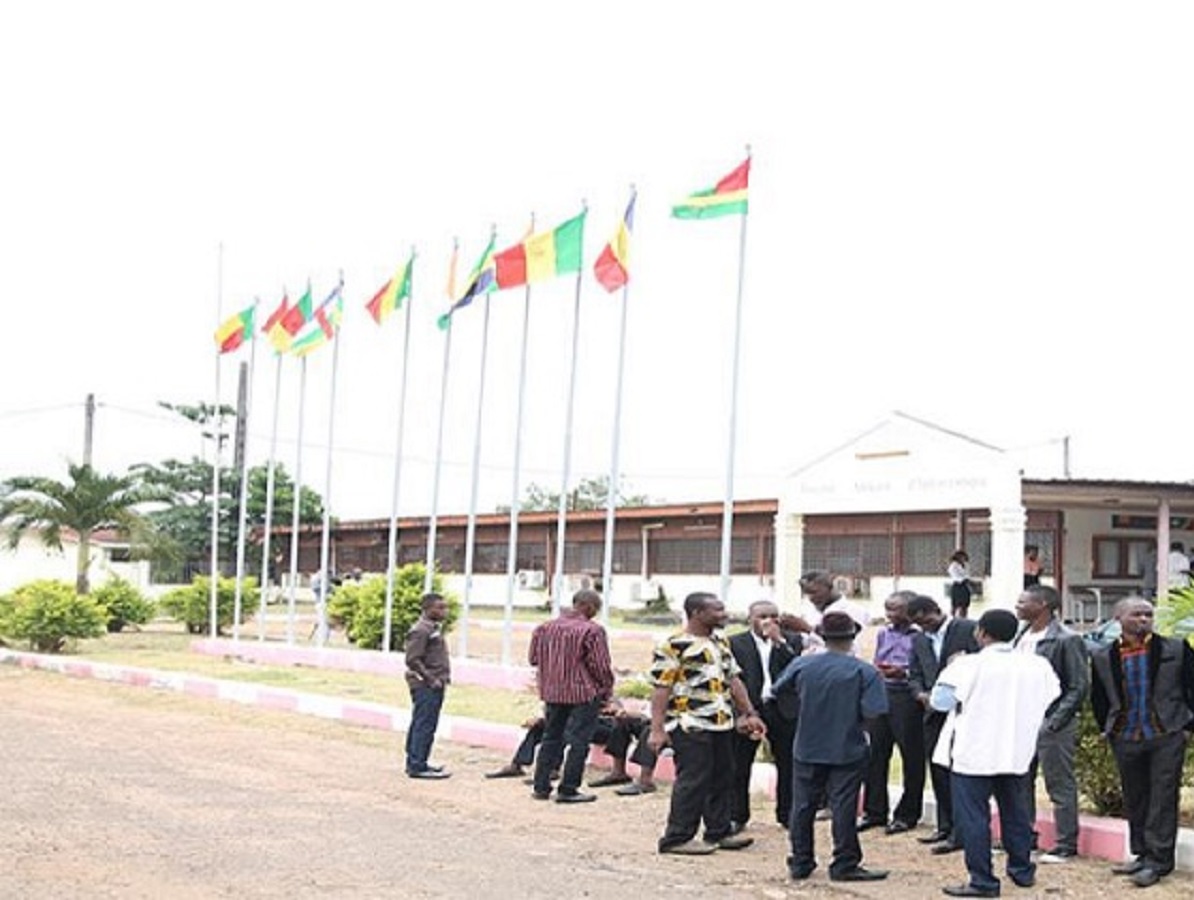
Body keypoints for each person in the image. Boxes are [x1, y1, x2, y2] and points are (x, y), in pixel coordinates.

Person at [930, 609, 1060, 898]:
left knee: (974, 818)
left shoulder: (967, 665)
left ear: (982, 633)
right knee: (1016, 812)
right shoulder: (1037, 665)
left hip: (973, 752)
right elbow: (1052, 696)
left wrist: (950, 667)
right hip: (1016, 750)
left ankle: (982, 881)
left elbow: (940, 702)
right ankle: (1022, 870)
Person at [773, 611, 890, 883]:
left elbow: (778, 691)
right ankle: (844, 862)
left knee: (802, 805)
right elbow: (875, 710)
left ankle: (801, 860)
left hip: (807, 744)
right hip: (847, 746)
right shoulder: (865, 671)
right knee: (844, 807)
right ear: (853, 637)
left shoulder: (803, 665)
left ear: (822, 637)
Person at [648, 591, 766, 856]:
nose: (723, 614)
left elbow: (734, 680)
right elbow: (661, 689)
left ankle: (719, 831)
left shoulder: (720, 642)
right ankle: (677, 837)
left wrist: (749, 713)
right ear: (697, 613)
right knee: (693, 779)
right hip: (690, 723)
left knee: (723, 776)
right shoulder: (673, 645)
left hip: (721, 722)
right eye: (717, 610)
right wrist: (657, 729)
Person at [1090, 597, 1194, 889]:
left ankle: (1159, 861)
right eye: (1136, 614)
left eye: (1148, 614)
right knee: (1135, 797)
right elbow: (1099, 696)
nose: (1144, 619)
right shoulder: (1102, 655)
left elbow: (1191, 686)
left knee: (1162, 798)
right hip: (1125, 735)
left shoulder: (1175, 648)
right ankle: (1142, 853)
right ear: (1118, 618)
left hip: (1166, 734)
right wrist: (1105, 728)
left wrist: (1187, 726)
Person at [1012, 583, 1089, 863]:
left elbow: (1079, 686)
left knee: (1059, 784)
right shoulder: (1019, 637)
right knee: (1020, 782)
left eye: (1023, 602)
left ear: (1042, 605)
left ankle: (1065, 844)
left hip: (1052, 723)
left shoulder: (1066, 639)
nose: (1018, 606)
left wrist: (1055, 721)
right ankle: (1023, 838)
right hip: (1021, 722)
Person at [527, 588, 616, 804]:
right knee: (579, 741)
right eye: (596, 608)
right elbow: (600, 666)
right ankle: (568, 789)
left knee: (551, 738)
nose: (595, 613)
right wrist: (606, 690)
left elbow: (533, 659)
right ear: (587, 606)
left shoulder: (544, 628)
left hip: (552, 692)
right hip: (582, 693)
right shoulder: (592, 631)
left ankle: (541, 786)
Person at [907, 594, 978, 855]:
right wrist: (920, 695)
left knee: (960, 773)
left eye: (924, 620)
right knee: (938, 771)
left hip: (964, 712)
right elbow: (913, 674)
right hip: (933, 714)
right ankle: (945, 826)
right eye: (917, 624)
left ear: (936, 611)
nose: (922, 627)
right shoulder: (918, 639)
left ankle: (961, 832)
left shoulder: (968, 629)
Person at [728, 599, 802, 830]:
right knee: (740, 763)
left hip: (783, 709)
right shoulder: (735, 643)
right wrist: (741, 711)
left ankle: (787, 814)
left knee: (788, 763)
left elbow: (798, 669)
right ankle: (737, 815)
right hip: (750, 708)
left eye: (773, 616)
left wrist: (779, 642)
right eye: (762, 616)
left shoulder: (791, 641)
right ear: (750, 618)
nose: (768, 621)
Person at [859, 591, 926, 835]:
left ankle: (907, 814)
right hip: (882, 694)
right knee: (875, 754)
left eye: (896, 609)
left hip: (907, 698)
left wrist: (903, 673)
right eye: (888, 609)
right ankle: (874, 811)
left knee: (911, 756)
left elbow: (922, 668)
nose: (890, 615)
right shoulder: (883, 633)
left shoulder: (920, 637)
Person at [487, 700, 658, 795]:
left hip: (601, 725)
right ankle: (518, 764)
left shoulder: (596, 688)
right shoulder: (568, 688)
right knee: (546, 726)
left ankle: (554, 772)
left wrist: (615, 709)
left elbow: (616, 706)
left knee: (563, 728)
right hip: (583, 723)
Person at [403, 592, 452, 779]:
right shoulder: (421, 630)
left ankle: (419, 761)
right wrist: (431, 678)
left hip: (434, 683)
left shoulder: (432, 628)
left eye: (444, 607)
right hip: (426, 685)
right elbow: (412, 659)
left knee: (425, 723)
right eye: (439, 607)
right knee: (424, 724)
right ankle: (417, 765)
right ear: (427, 609)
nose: (444, 611)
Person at [779, 570, 870, 654]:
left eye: (813, 592)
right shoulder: (809, 611)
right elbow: (807, 643)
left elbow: (848, 649)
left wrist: (807, 629)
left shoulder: (854, 611)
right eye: (805, 593)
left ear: (830, 587)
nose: (810, 598)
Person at [946, 550, 972, 619]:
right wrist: (963, 579)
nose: (962, 558)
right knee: (955, 604)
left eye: (964, 557)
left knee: (965, 605)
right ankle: (952, 618)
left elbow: (968, 574)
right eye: (961, 557)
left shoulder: (966, 565)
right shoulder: (953, 565)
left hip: (965, 586)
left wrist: (967, 579)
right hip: (957, 585)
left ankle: (964, 618)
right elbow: (955, 576)